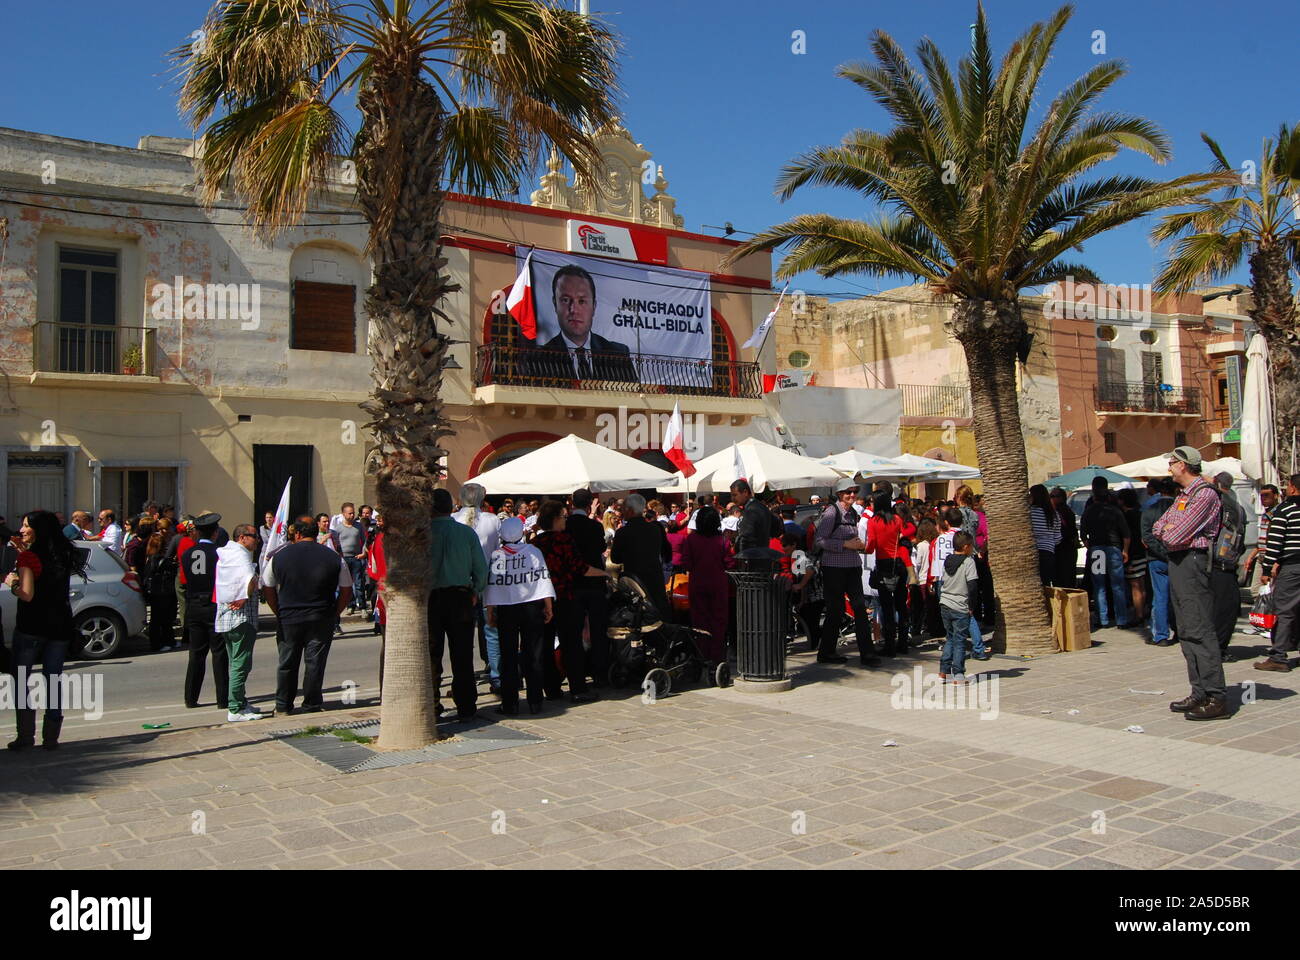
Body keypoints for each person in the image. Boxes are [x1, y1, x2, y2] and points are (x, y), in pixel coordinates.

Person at [1153, 446, 1228, 721]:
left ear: (1184, 465)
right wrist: (1169, 530)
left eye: (1172, 462)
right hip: (1178, 562)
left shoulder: (1204, 494)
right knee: (1186, 629)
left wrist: (1171, 531)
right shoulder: (1183, 495)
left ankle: (1215, 695)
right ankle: (1199, 691)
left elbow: (1176, 534)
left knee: (1200, 628)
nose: (1169, 466)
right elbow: (1159, 527)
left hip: (1194, 561)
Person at [4, 510, 89, 750]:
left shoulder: (29, 558)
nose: (21, 530)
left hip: (31, 625)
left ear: (37, 530)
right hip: (60, 625)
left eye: (25, 525)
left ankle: (25, 735)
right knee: (53, 679)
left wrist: (13, 584)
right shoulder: (62, 553)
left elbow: (27, 594)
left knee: (21, 679)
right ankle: (51, 736)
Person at [263, 517, 353, 715]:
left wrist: (277, 609)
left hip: (289, 616)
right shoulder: (333, 557)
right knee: (315, 663)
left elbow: (267, 585)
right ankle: (311, 703)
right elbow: (347, 588)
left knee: (287, 663)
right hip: (321, 617)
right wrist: (335, 612)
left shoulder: (279, 556)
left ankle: (283, 705)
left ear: (297, 534)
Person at [428, 487, 489, 724]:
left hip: (431, 598)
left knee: (432, 653)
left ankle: (432, 704)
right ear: (450, 507)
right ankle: (466, 705)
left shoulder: (422, 533)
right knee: (462, 653)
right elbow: (481, 570)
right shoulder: (465, 533)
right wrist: (475, 590)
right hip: (460, 596)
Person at [487, 516, 555, 715]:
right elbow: (543, 580)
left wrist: (490, 611)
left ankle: (510, 703)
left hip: (507, 609)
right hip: (531, 607)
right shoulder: (533, 552)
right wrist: (549, 606)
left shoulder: (498, 555)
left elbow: (494, 584)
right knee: (533, 653)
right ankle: (535, 701)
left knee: (508, 656)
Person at [532, 264, 639, 382]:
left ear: (594, 306)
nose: (574, 310)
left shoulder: (618, 354)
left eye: (582, 301)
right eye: (565, 300)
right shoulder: (539, 358)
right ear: (555, 304)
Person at [534, 500, 595, 703]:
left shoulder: (535, 543)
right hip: (565, 596)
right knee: (572, 643)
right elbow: (580, 567)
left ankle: (551, 688)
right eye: (563, 516)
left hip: (543, 599)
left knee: (546, 644)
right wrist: (603, 573)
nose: (565, 520)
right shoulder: (565, 540)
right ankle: (577, 688)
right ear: (555, 519)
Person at [814, 479, 879, 666]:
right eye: (848, 492)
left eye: (854, 491)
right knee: (836, 610)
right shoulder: (831, 512)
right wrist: (845, 544)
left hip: (852, 566)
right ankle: (826, 652)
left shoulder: (852, 513)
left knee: (859, 609)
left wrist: (858, 545)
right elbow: (820, 540)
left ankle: (867, 653)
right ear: (839, 493)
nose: (852, 495)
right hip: (834, 568)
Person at [454, 483, 502, 695]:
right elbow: (498, 551)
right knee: (491, 630)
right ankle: (497, 675)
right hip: (488, 581)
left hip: (462, 582)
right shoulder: (492, 520)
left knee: (462, 634)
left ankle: (463, 678)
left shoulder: (454, 520)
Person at [216, 525, 265, 722]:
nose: (257, 540)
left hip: (226, 617)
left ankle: (241, 702)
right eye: (254, 537)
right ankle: (235, 708)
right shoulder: (241, 556)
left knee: (235, 662)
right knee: (240, 664)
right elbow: (250, 580)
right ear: (243, 538)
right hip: (241, 618)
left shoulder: (227, 554)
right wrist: (246, 593)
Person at [1253, 473, 1300, 673]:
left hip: (1292, 566)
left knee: (1285, 610)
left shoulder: (1285, 510)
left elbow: (1274, 543)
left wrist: (1266, 568)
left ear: (1292, 487)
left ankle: (1278, 656)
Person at [681, 506, 733, 665]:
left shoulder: (691, 540)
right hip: (718, 584)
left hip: (698, 584)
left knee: (699, 622)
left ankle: (702, 655)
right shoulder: (723, 540)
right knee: (718, 621)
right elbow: (730, 563)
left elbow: (686, 563)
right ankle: (717, 657)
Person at [1081, 477, 1132, 628]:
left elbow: (1084, 535)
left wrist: (1090, 547)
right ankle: (1121, 619)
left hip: (1097, 550)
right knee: (1117, 585)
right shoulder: (1115, 510)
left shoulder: (1088, 511)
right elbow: (1126, 534)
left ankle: (1103, 619)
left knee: (1099, 586)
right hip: (1114, 548)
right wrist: (1126, 551)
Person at [864, 492, 911, 656]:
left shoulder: (873, 522)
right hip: (899, 564)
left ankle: (889, 645)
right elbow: (903, 537)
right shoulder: (897, 519)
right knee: (901, 605)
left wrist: (857, 547)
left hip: (884, 565)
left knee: (886, 607)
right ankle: (903, 643)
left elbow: (870, 547)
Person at [610, 494, 672, 616]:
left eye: (623, 509)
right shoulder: (656, 528)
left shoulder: (623, 532)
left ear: (630, 510)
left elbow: (615, 558)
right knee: (658, 618)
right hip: (655, 580)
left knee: (639, 619)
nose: (622, 512)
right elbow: (667, 553)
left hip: (635, 583)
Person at [1209, 471, 1247, 663]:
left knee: (1217, 608)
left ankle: (1215, 647)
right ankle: (1219, 647)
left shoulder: (1215, 502)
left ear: (1216, 482)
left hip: (1211, 561)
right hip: (1227, 562)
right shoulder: (1238, 507)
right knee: (1226, 608)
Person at [1140, 478, 1177, 647]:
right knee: (1178, 597)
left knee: (1160, 597)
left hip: (1156, 559)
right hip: (1177, 558)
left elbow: (1146, 535)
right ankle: (1179, 631)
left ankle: (1160, 635)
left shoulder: (1150, 509)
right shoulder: (1180, 510)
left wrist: (1160, 552)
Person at [939, 532, 979, 684]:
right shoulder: (968, 562)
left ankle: (943, 671)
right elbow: (973, 586)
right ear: (966, 547)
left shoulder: (947, 560)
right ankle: (958, 674)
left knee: (950, 638)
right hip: (960, 604)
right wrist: (971, 606)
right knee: (960, 640)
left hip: (945, 602)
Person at [144, 521, 179, 652]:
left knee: (157, 619)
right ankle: (161, 643)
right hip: (164, 592)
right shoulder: (162, 560)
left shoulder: (148, 558)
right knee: (164, 619)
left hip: (153, 591)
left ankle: (163, 642)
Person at [1117, 488, 1149, 626]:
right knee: (1141, 585)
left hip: (1132, 554)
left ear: (1122, 501)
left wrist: (1127, 557)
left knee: (1135, 586)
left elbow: (1128, 537)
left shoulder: (1126, 517)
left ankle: (1138, 614)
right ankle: (1143, 611)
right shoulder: (1140, 514)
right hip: (1142, 553)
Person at [732, 479, 782, 558]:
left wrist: (742, 558)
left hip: (752, 558)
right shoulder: (762, 507)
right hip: (763, 555)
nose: (733, 499)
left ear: (745, 492)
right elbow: (777, 529)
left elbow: (746, 538)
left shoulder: (751, 510)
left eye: (735, 495)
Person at [1246, 484, 1281, 590]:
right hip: (1261, 557)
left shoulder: (1278, 514)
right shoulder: (1266, 514)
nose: (1263, 498)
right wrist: (1251, 556)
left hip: (1271, 558)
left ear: (1275, 496)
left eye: (1267, 495)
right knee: (1256, 590)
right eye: (1261, 496)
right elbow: (1262, 539)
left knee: (1270, 590)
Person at [1029, 484, 1061, 587]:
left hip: (1032, 550)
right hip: (1048, 552)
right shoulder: (1053, 514)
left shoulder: (1029, 512)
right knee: (1046, 583)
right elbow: (1057, 538)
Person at [1051, 487, 1079, 588]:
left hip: (1065, 548)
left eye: (1054, 496)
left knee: (1064, 578)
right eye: (1051, 496)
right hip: (1062, 548)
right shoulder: (1057, 511)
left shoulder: (1063, 512)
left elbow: (1071, 531)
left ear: (1062, 498)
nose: (1052, 498)